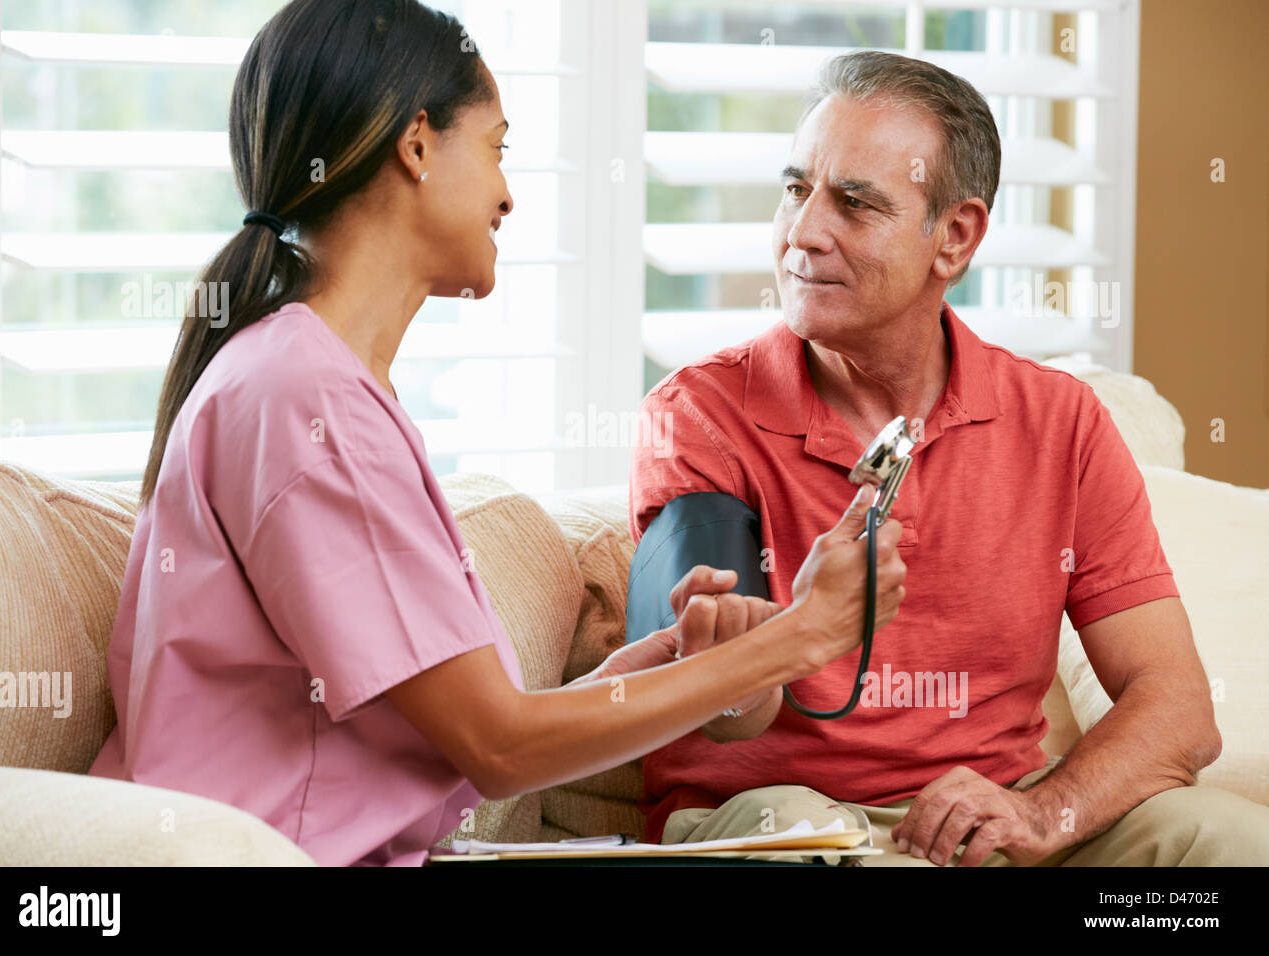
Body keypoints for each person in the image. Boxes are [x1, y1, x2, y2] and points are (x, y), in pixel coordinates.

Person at [85, 0, 907, 867]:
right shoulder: (303, 399)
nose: (508, 195)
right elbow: (501, 748)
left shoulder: (318, 385)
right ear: (416, 146)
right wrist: (805, 635)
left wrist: (663, 669)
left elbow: (468, 738)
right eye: (496, 148)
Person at [628, 50, 1269, 866]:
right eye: (796, 189)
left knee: (1231, 843)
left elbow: (1178, 708)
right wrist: (753, 651)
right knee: (788, 824)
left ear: (955, 237)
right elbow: (722, 712)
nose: (803, 231)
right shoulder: (700, 417)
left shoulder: (1060, 422)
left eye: (854, 204)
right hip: (789, 825)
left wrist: (1045, 813)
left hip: (989, 831)